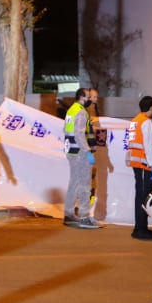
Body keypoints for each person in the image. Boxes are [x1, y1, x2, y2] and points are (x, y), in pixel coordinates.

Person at [63, 87, 101, 229]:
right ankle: (85, 216)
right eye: (88, 97)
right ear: (82, 97)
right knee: (85, 184)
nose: (90, 100)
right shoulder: (81, 112)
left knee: (74, 183)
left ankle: (69, 214)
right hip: (79, 153)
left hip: (71, 151)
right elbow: (79, 134)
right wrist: (87, 151)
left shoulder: (71, 109)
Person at [127, 96, 152, 240]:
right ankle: (140, 229)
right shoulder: (146, 122)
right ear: (151, 108)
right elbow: (148, 146)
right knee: (143, 196)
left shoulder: (135, 120)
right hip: (144, 165)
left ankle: (141, 227)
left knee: (141, 195)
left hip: (138, 164)